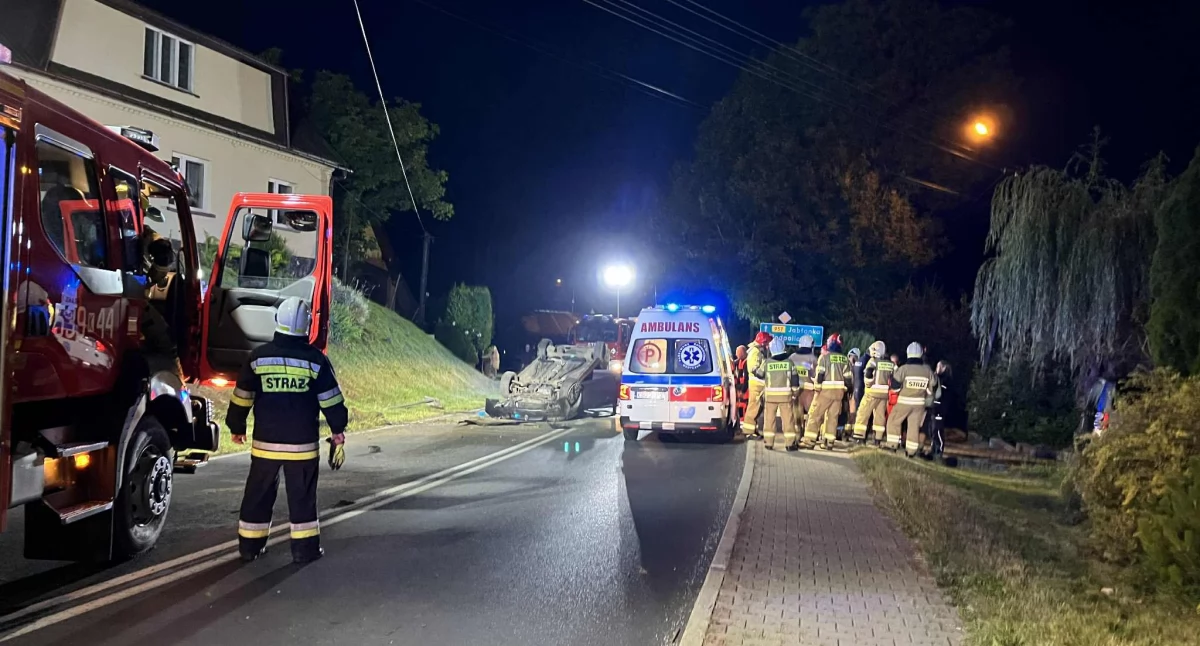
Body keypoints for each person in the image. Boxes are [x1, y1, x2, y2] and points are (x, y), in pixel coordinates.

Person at [228, 297, 350, 564]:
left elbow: (241, 397)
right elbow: (332, 401)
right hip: (302, 448)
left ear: (278, 322)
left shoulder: (257, 357)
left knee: (258, 495)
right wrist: (338, 430)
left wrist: (236, 427)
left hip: (265, 445)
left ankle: (250, 547)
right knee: (303, 499)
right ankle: (304, 551)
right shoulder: (317, 361)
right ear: (307, 327)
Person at [887, 342, 938, 457]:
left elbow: (894, 388)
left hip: (904, 402)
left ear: (908, 354)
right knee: (914, 427)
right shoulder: (927, 370)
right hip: (920, 404)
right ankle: (911, 452)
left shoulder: (903, 369)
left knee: (893, 421)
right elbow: (932, 388)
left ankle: (892, 446)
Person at [803, 333, 851, 449]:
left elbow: (820, 375)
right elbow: (848, 379)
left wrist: (817, 389)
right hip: (839, 393)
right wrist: (846, 391)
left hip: (825, 392)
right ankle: (829, 442)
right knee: (832, 417)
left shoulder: (824, 358)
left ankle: (809, 441)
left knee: (815, 415)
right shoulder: (845, 359)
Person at [852, 341, 893, 444]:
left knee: (863, 413)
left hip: (872, 393)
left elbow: (868, 373)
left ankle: (859, 436)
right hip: (884, 394)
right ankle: (878, 439)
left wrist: (868, 384)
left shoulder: (873, 361)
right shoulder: (890, 364)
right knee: (880, 416)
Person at [762, 337, 797, 450]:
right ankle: (790, 444)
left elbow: (759, 374)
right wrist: (795, 393)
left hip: (770, 398)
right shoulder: (789, 363)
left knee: (769, 420)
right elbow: (795, 380)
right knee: (788, 420)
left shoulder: (767, 363)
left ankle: (768, 443)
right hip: (786, 397)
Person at [787, 335, 818, 449]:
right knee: (811, 414)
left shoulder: (792, 357)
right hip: (809, 390)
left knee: (796, 414)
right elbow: (816, 375)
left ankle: (797, 435)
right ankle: (809, 436)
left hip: (795, 390)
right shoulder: (813, 359)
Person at [741, 332, 772, 439]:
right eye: (767, 342)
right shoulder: (755, 352)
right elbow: (754, 369)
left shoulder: (759, 351)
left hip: (760, 384)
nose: (769, 344)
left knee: (758, 408)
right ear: (763, 342)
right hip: (756, 384)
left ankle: (753, 429)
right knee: (753, 407)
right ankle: (748, 432)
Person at [928, 361, 953, 458]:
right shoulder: (938, 378)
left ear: (943, 368)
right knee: (932, 429)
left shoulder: (946, 380)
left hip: (940, 408)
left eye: (938, 366)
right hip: (935, 407)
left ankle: (939, 450)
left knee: (937, 430)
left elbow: (942, 394)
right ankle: (933, 448)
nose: (936, 368)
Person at [733, 345, 749, 424]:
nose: (736, 355)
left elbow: (746, 379)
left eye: (738, 353)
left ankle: (744, 424)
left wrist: (742, 391)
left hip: (745, 390)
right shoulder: (738, 361)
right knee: (739, 407)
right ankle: (741, 424)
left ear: (742, 353)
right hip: (739, 388)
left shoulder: (747, 362)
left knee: (744, 407)